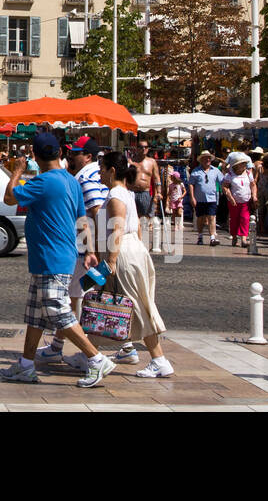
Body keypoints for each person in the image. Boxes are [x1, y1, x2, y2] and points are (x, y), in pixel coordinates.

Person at [0, 132, 115, 387]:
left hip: (51, 257)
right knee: (36, 314)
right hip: (58, 255)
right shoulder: (71, 181)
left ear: (36, 157)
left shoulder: (42, 182)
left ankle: (96, 359)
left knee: (57, 310)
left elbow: (9, 198)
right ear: (60, 153)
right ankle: (26, 365)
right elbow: (82, 219)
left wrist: (16, 171)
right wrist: (91, 250)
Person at [100, 158, 174, 377]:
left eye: (102, 170)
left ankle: (159, 359)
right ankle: (119, 350)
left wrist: (111, 261)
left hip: (122, 251)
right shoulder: (127, 193)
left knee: (137, 306)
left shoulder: (116, 196)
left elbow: (117, 229)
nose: (100, 174)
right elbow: (137, 229)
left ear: (112, 171)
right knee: (134, 304)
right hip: (133, 249)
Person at [131, 141, 161, 249]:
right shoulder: (131, 161)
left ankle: (143, 242)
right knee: (132, 218)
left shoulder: (152, 162)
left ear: (148, 149)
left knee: (145, 218)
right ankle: (135, 241)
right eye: (141, 147)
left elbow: (157, 178)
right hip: (132, 192)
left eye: (145, 147)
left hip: (145, 192)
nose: (143, 149)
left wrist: (159, 192)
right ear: (137, 148)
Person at [188, 151, 223, 246]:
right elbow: (191, 184)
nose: (207, 160)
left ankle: (212, 238)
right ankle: (200, 236)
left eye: (209, 158)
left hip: (212, 198)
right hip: (200, 199)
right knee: (200, 218)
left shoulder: (215, 170)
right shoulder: (196, 171)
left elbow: (222, 181)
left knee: (211, 217)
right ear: (201, 160)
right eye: (205, 158)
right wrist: (192, 197)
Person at [223, 152, 257, 249]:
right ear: (237, 165)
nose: (245, 165)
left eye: (245, 163)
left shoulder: (248, 173)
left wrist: (254, 195)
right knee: (234, 219)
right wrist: (230, 197)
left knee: (245, 219)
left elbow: (253, 184)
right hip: (234, 202)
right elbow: (225, 187)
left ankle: (243, 239)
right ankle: (234, 236)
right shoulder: (229, 175)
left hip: (245, 201)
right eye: (243, 163)